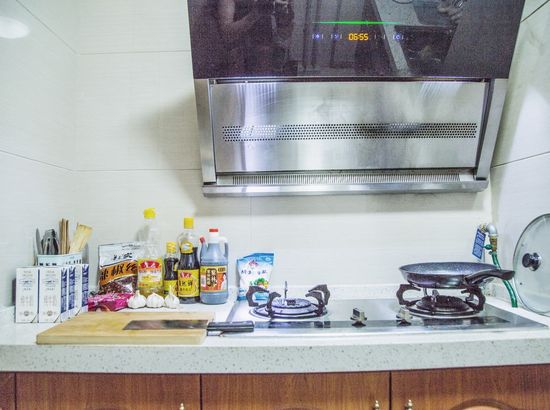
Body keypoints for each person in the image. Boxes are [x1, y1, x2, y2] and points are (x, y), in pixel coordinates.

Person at [215, 0, 294, 75]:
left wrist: (284, 19)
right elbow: (226, 35)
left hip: (265, 63)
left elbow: (284, 36)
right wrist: (255, 14)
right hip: (238, 65)